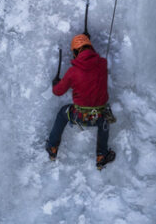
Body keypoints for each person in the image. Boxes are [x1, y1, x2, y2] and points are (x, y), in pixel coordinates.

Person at [46, 34, 116, 169]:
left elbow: (58, 92)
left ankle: (52, 147)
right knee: (104, 119)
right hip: (100, 116)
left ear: (76, 52)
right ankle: (101, 154)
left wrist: (56, 84)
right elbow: (91, 63)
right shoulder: (102, 64)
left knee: (62, 113)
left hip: (79, 116)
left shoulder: (73, 72)